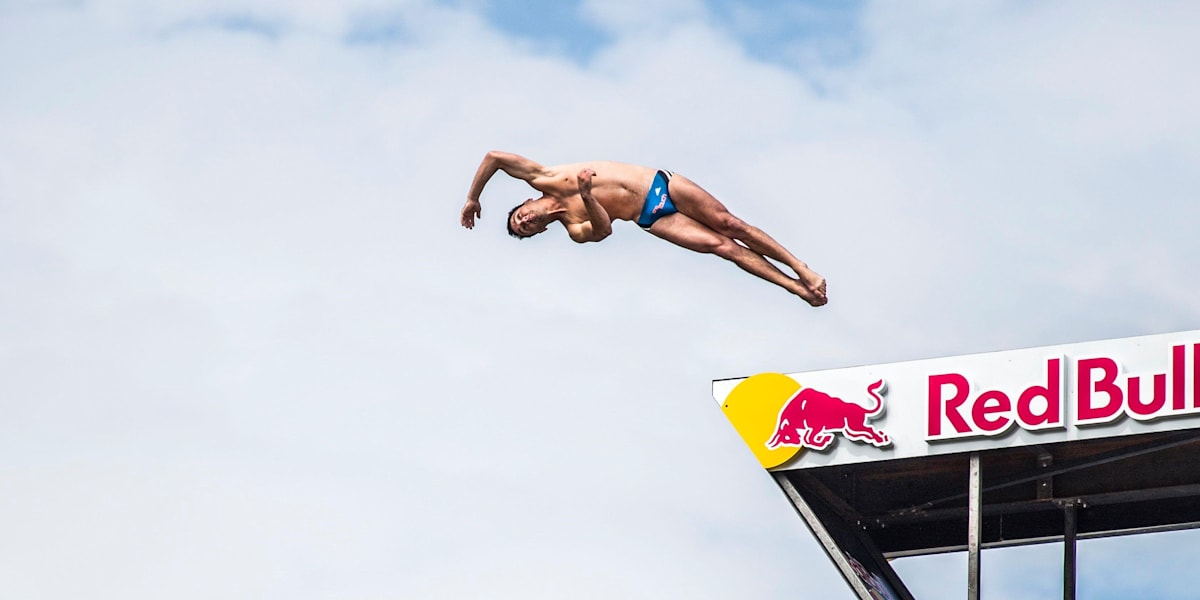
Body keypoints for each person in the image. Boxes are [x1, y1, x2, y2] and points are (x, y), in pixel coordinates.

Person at [460, 151, 827, 307]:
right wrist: (587, 196)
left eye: (520, 218)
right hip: (649, 216)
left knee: (731, 225)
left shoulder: (547, 177)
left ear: (526, 204)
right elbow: (604, 230)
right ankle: (797, 289)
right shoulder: (574, 227)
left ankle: (801, 268)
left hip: (659, 185)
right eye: (525, 231)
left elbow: (494, 157)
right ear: (539, 233)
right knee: (723, 247)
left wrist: (474, 198)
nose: (525, 223)